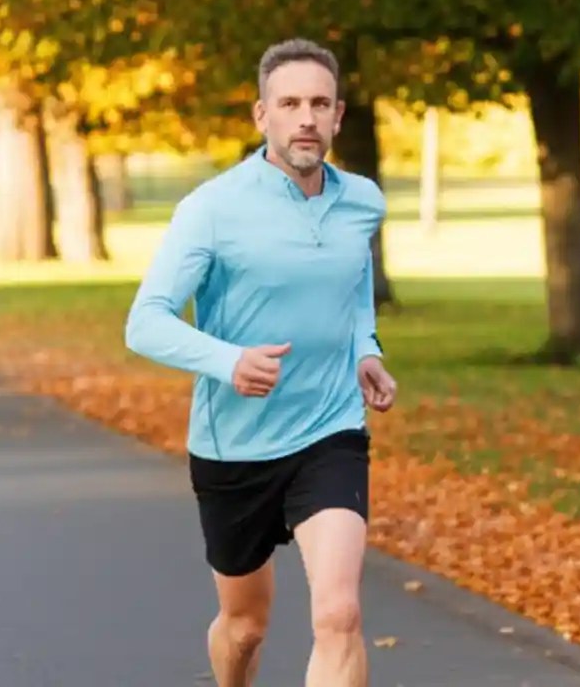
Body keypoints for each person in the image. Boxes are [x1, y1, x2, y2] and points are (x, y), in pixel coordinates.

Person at [124, 37, 398, 687]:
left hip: (330, 429)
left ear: (338, 116)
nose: (306, 117)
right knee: (245, 627)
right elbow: (145, 321)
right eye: (290, 102)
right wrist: (227, 361)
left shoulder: (363, 202)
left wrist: (366, 349)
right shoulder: (211, 209)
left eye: (320, 103)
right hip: (236, 445)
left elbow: (354, 285)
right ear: (261, 115)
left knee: (339, 613)